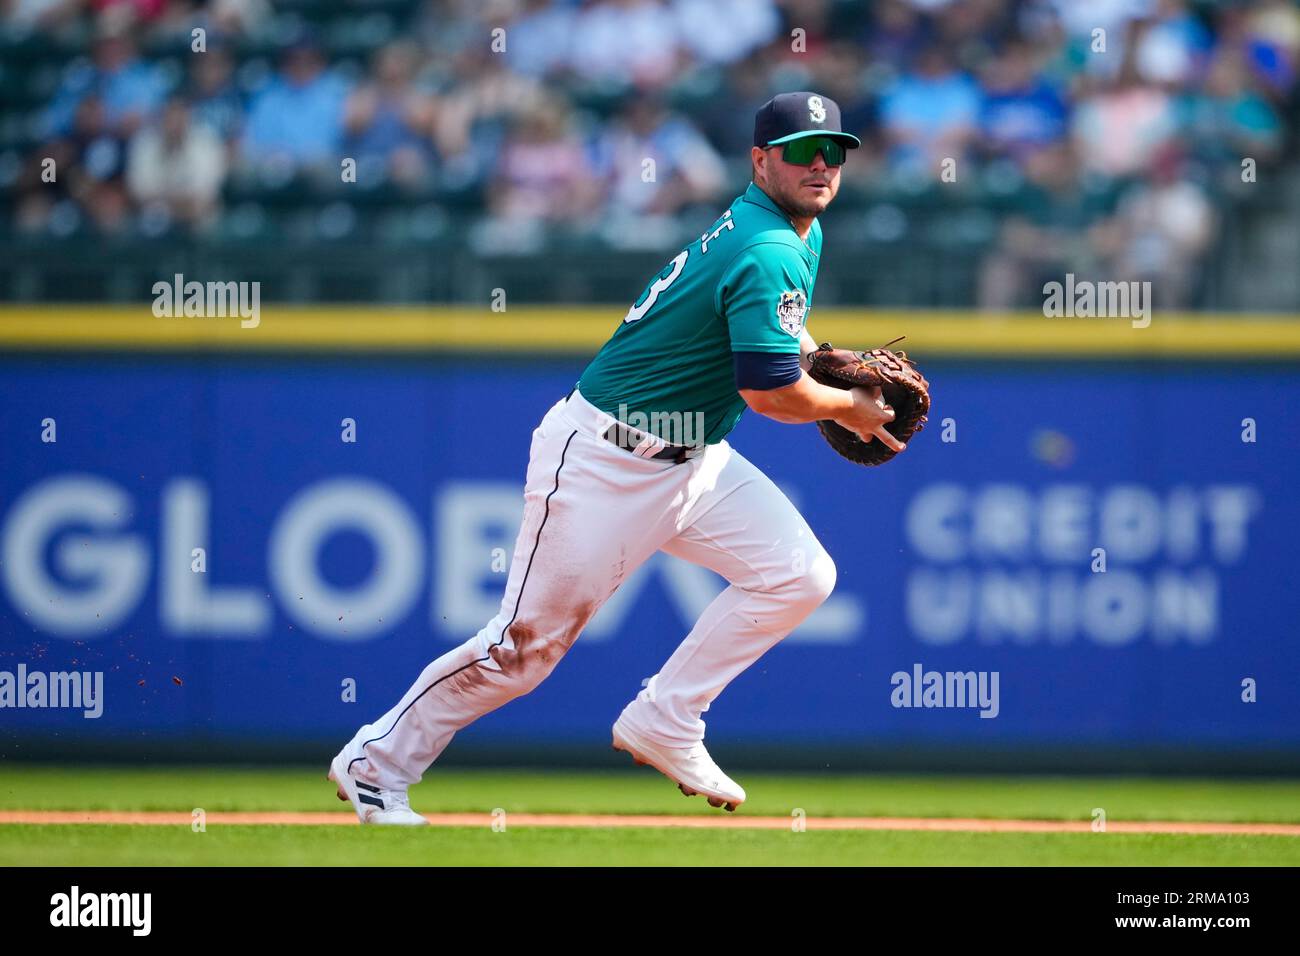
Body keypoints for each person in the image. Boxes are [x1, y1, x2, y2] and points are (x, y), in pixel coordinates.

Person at [329, 92, 903, 824]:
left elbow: (776, 345)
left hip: (693, 458)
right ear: (760, 160)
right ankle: (374, 762)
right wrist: (846, 405)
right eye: (801, 149)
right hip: (606, 459)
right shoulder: (768, 246)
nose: (821, 164)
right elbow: (769, 394)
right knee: (521, 651)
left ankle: (667, 718)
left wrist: (821, 357)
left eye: (834, 151)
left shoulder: (793, 232)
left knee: (798, 575)